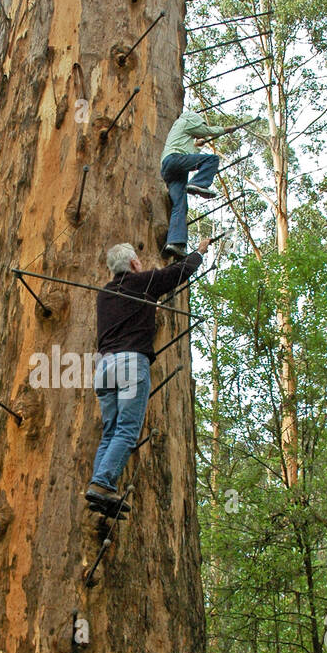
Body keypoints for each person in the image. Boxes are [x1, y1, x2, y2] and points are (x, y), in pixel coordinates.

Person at [86, 237, 212, 510]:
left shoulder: (104, 294)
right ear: (133, 263)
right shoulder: (142, 282)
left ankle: (100, 490)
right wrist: (199, 252)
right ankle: (103, 483)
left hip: (105, 367)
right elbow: (177, 273)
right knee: (127, 431)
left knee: (110, 432)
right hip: (131, 362)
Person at [160, 109, 234, 259]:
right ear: (195, 120)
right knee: (212, 159)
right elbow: (205, 131)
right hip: (175, 160)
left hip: (170, 169)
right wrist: (224, 130)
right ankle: (198, 183)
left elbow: (186, 149)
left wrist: (196, 146)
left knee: (180, 206)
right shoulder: (186, 121)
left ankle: (175, 242)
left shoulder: (178, 130)